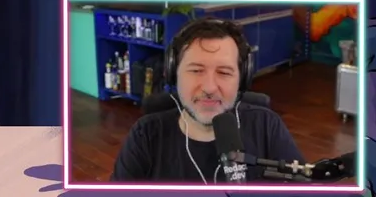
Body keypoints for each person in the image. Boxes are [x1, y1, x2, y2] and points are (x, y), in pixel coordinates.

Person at [111, 19, 306, 183]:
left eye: (224, 72)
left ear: (242, 79)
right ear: (172, 75)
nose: (209, 87)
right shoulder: (145, 136)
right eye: (196, 70)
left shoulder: (266, 127)